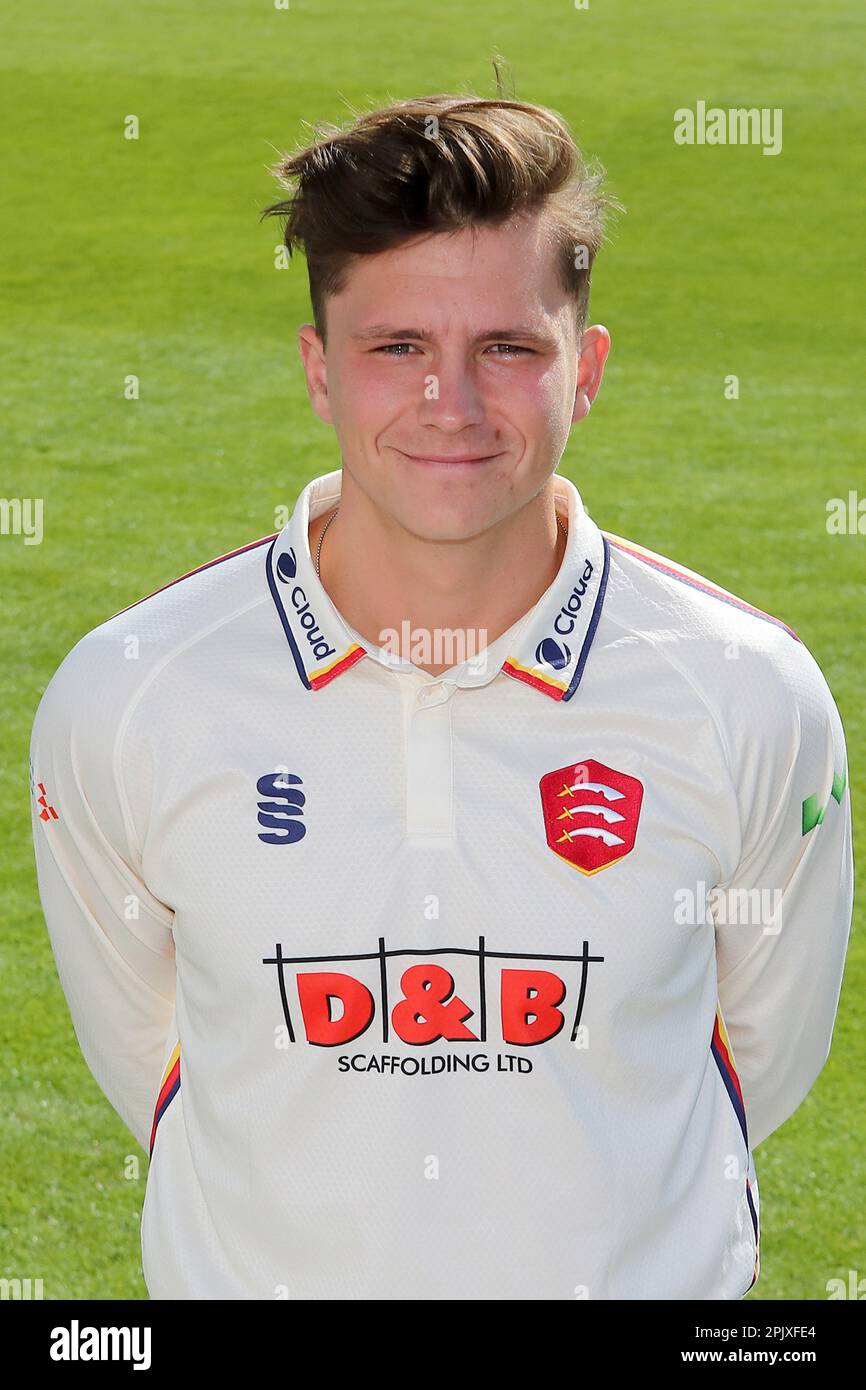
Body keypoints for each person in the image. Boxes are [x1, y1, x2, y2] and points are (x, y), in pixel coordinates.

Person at [29, 89, 853, 1301]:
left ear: (586, 369)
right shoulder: (132, 692)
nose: (451, 406)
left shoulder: (744, 691)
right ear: (320, 369)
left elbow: (753, 1055)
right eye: (397, 348)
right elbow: (152, 1052)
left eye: (507, 348)